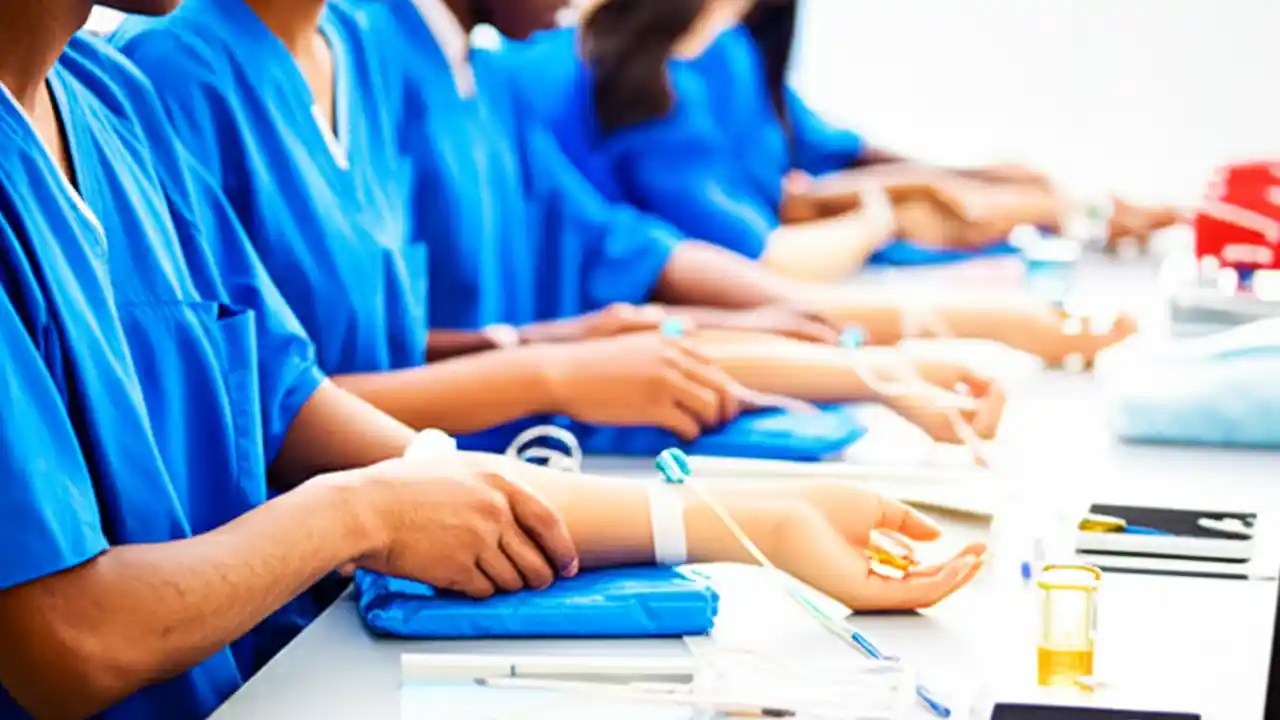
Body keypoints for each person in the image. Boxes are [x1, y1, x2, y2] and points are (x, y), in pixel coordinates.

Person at [0, 4, 984, 718]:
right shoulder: (185, 74)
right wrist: (369, 509)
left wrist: (751, 521)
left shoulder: (111, 102)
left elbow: (318, 418)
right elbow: (70, 642)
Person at [112, 0, 1007, 448]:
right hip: (397, 519)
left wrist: (860, 361)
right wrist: (551, 364)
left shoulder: (405, 65)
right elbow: (274, 415)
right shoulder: (181, 77)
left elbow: (613, 252)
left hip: (454, 484)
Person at [512, 0, 1183, 261]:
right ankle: (1086, 218)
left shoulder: (730, 55)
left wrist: (1016, 188)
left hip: (775, 261)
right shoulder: (644, 85)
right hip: (734, 285)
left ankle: (1085, 215)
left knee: (1016, 182)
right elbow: (773, 257)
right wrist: (882, 214)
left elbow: (830, 153)